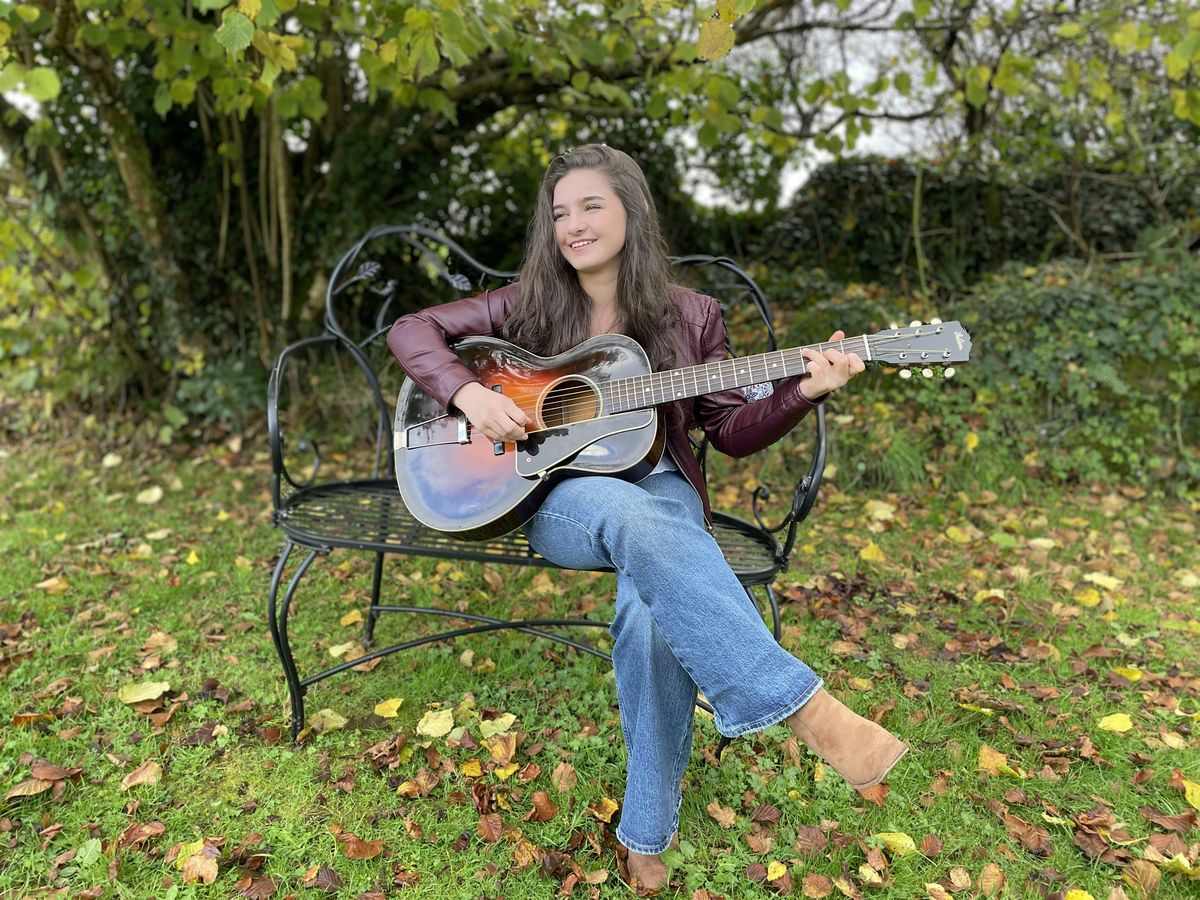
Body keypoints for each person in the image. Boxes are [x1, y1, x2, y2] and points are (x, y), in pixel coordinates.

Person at [387, 144, 907, 892]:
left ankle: (646, 831)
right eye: (561, 212)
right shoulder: (527, 302)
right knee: (629, 520)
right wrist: (469, 395)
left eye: (591, 205)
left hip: (662, 492)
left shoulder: (692, 316)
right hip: (559, 495)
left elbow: (728, 432)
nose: (573, 224)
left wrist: (803, 392)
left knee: (652, 610)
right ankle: (807, 710)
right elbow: (411, 330)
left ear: (632, 209)